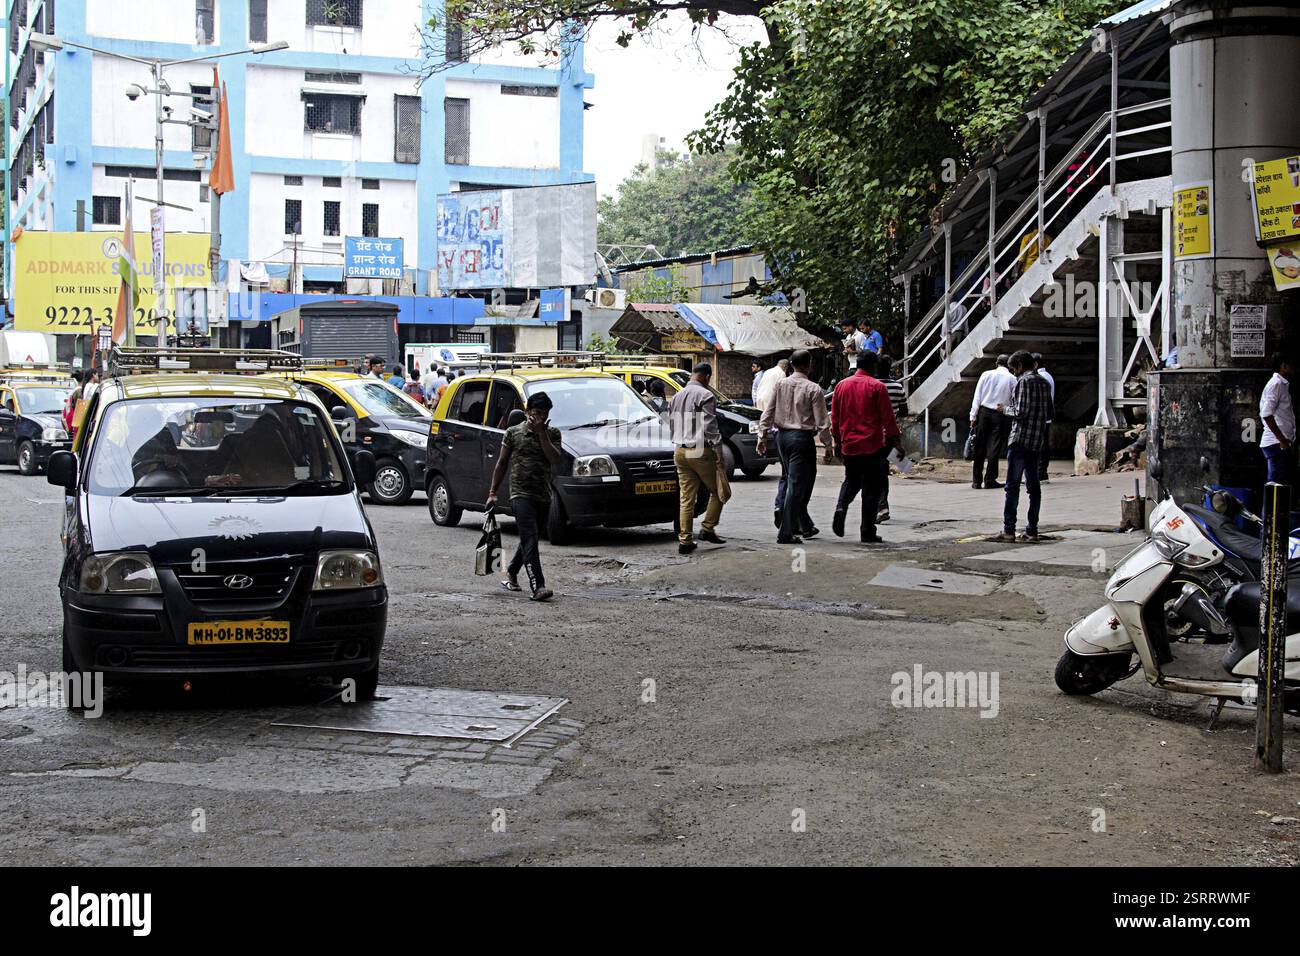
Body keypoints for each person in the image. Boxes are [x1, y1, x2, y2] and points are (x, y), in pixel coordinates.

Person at [487, 392, 561, 602]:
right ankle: (538, 586)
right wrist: (492, 492)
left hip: (543, 494)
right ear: (528, 412)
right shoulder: (513, 433)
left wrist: (542, 434)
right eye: (537, 413)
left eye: (545, 414)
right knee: (530, 538)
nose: (541, 417)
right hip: (520, 494)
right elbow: (501, 463)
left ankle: (511, 571)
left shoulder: (553, 433)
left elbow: (554, 458)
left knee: (531, 537)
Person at [758, 349, 831, 544]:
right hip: (801, 438)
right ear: (808, 365)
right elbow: (822, 422)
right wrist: (829, 445)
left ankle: (804, 525)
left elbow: (768, 411)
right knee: (798, 484)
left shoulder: (781, 384)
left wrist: (762, 436)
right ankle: (786, 531)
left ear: (791, 365)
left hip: (782, 437)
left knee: (795, 479)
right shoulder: (813, 389)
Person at [831, 351, 903, 543]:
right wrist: (896, 443)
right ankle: (867, 530)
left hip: (850, 444)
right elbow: (888, 419)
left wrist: (837, 441)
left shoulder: (841, 386)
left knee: (851, 480)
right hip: (873, 445)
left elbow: (835, 418)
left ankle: (841, 506)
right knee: (871, 488)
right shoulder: (877, 387)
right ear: (872, 366)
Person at [666, 363, 727, 555]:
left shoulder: (676, 396)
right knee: (720, 491)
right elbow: (710, 427)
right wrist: (719, 453)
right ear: (706, 377)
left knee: (686, 498)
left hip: (680, 451)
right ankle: (708, 528)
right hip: (700, 451)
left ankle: (685, 540)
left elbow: (671, 423)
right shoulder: (706, 395)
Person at [997, 350, 1053, 543]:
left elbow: (1020, 411)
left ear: (1020, 365)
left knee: (1012, 486)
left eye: (1014, 369)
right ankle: (1032, 530)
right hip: (1036, 440)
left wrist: (1005, 409)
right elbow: (1049, 413)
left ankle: (1009, 530)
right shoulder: (1045, 383)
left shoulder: (1023, 382)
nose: (1013, 373)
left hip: (1020, 439)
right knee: (1033, 487)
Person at [969, 354, 1015, 489]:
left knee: (980, 446)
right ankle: (990, 479)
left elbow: (977, 396)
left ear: (996, 363)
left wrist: (973, 416)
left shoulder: (986, 374)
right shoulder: (1012, 379)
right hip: (1000, 414)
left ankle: (976, 481)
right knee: (994, 447)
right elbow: (1013, 400)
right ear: (1009, 366)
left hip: (984, 412)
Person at [875, 355, 907, 523]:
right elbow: (904, 411)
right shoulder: (897, 386)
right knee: (882, 470)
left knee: (874, 471)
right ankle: (881, 505)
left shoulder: (871, 385)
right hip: (890, 434)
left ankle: (880, 506)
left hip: (871, 435)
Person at [1260, 352, 1296, 486]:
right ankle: (1270, 508)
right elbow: (1266, 414)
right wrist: (1281, 440)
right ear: (1284, 366)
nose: (1295, 368)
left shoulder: (1282, 385)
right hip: (1275, 443)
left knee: (1281, 484)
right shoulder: (1276, 384)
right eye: (1292, 365)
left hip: (1280, 442)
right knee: (1275, 485)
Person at [1032, 353, 1055, 482]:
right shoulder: (1047, 376)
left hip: (1040, 417)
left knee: (1040, 446)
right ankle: (1041, 473)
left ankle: (1040, 473)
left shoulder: (1040, 377)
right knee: (1043, 444)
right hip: (1045, 416)